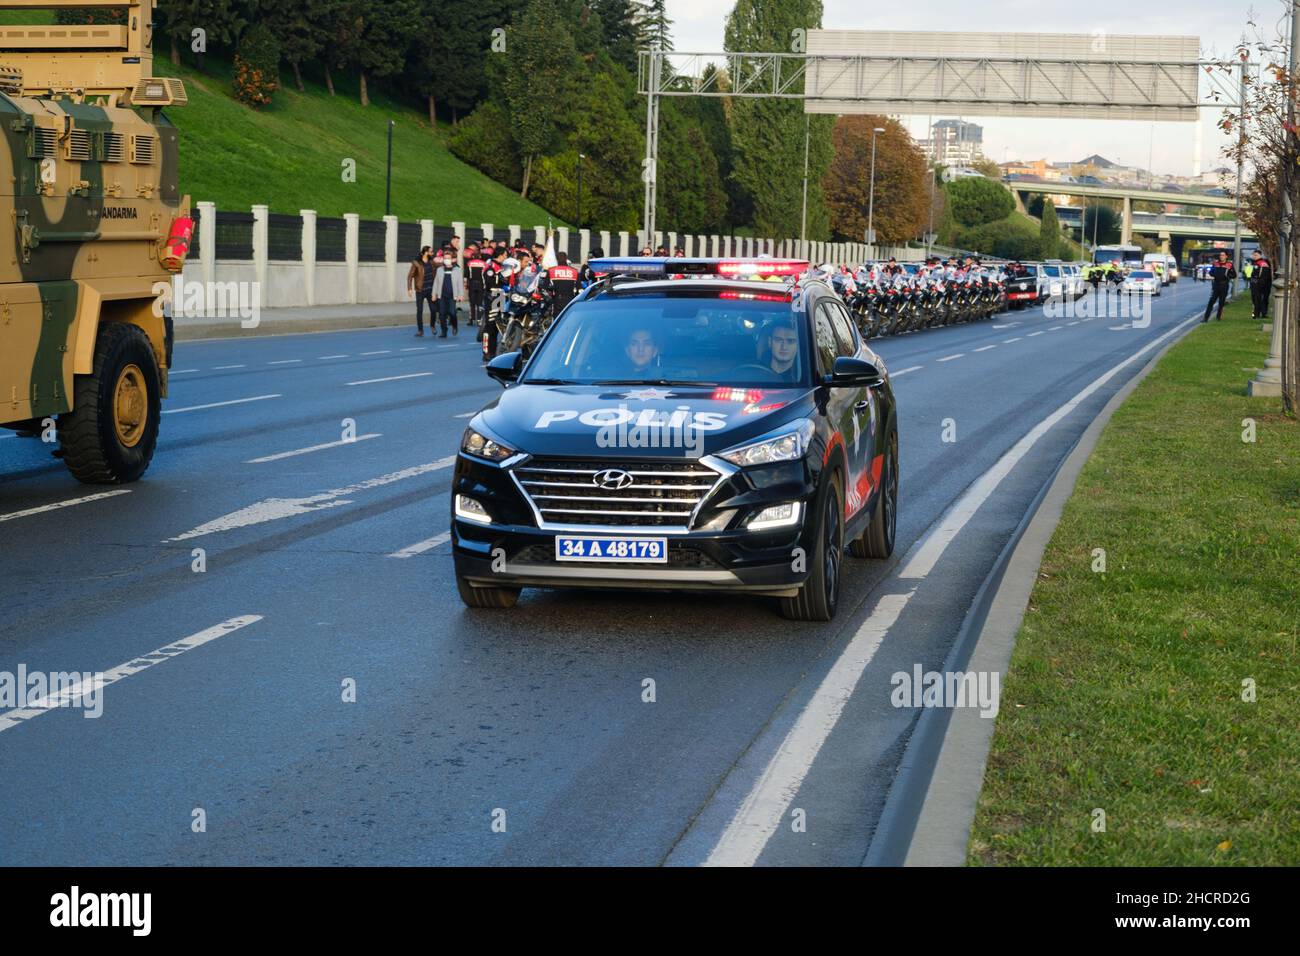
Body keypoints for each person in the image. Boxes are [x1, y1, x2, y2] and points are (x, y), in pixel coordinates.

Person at [406, 245, 436, 337]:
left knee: (433, 309)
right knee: (420, 310)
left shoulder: (431, 261)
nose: (432, 253)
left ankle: (432, 325)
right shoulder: (416, 263)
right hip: (420, 290)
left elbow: (439, 266)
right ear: (426, 252)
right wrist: (409, 288)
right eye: (431, 251)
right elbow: (410, 276)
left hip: (431, 290)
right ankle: (420, 330)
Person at [758, 318, 801, 383]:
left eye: (790, 341)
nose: (784, 347)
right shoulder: (754, 369)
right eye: (778, 340)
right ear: (770, 342)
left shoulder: (804, 377)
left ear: (798, 345)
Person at [432, 251, 465, 337]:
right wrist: (434, 294)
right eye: (445, 258)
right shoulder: (439, 269)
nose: (446, 260)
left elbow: (460, 283)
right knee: (442, 314)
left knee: (452, 312)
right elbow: (436, 282)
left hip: (452, 295)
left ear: (453, 259)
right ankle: (444, 331)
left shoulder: (457, 270)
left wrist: (461, 295)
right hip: (441, 295)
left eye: (448, 258)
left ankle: (455, 325)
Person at [1203, 251, 1236, 322]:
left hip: (1224, 285)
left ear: (1226, 256)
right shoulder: (1215, 264)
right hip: (1216, 285)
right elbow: (1211, 272)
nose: (1221, 256)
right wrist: (1215, 274)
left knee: (1221, 302)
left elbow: (1234, 275)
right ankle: (1205, 318)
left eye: (1223, 255)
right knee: (1211, 302)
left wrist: (1227, 276)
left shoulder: (1229, 264)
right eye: (1221, 255)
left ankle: (1218, 318)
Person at [464, 243, 487, 328]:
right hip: (481, 284)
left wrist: (466, 285)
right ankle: (479, 320)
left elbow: (466, 275)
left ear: (473, 256)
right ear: (480, 257)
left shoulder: (469, 263)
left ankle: (471, 319)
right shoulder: (484, 263)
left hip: (472, 284)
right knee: (480, 303)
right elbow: (485, 275)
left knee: (472, 303)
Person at [1250, 250, 1273, 319]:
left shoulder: (1262, 263)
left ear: (1260, 255)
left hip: (1259, 284)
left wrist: (1259, 283)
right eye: (1253, 255)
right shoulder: (1256, 263)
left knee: (1258, 299)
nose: (1254, 256)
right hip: (1254, 283)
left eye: (1256, 255)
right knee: (1255, 299)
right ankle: (1257, 314)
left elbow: (1264, 275)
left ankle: (1258, 315)